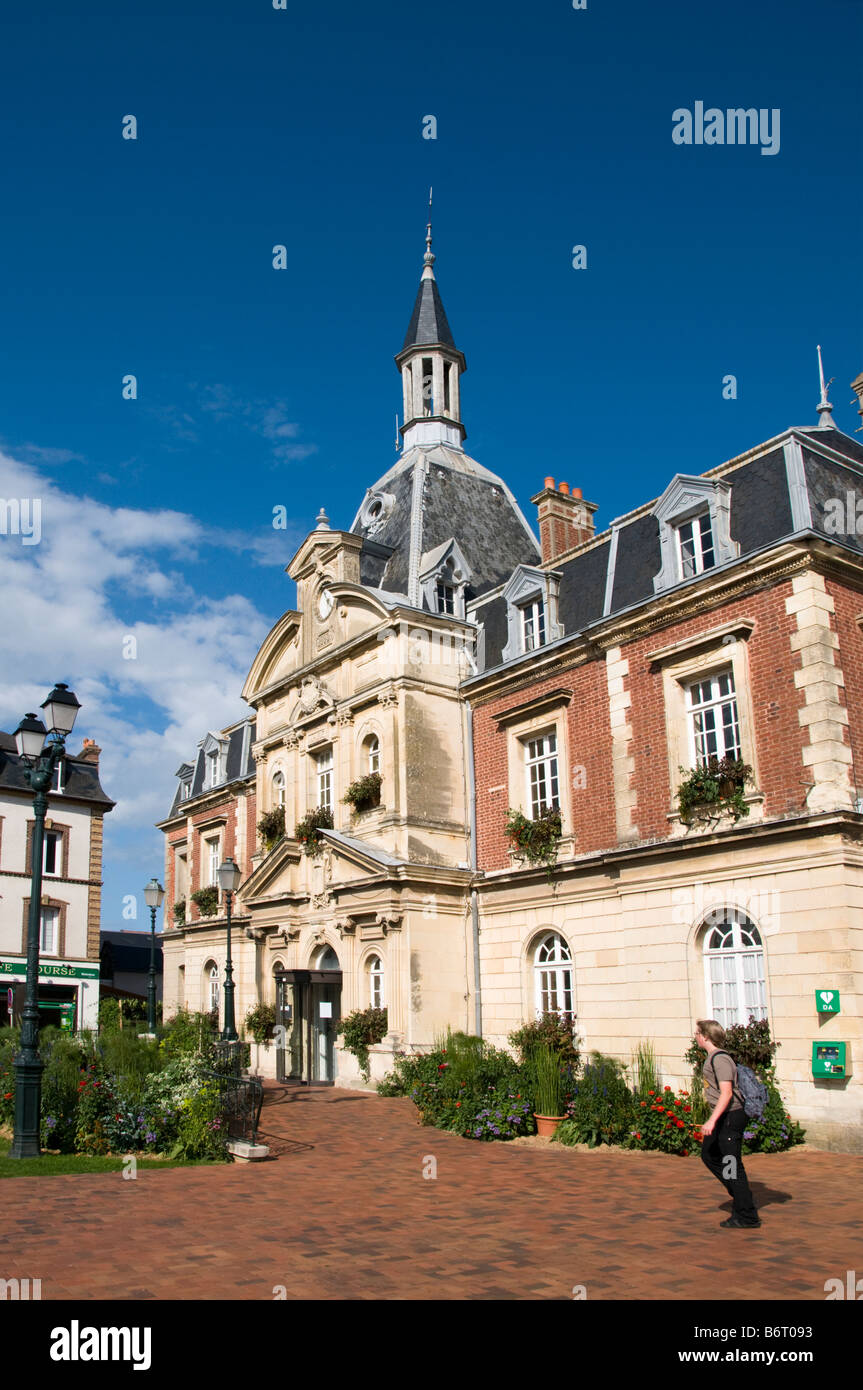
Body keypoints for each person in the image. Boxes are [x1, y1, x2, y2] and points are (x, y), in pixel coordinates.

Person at [695, 1020, 761, 1228]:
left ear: (705, 1036)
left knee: (732, 1163)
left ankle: (747, 1215)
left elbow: (727, 1093)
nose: (695, 1036)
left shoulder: (721, 1059)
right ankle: (739, 1193)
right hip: (723, 1115)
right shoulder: (713, 1058)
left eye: (697, 1033)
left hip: (731, 1116)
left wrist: (712, 1120)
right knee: (709, 1154)